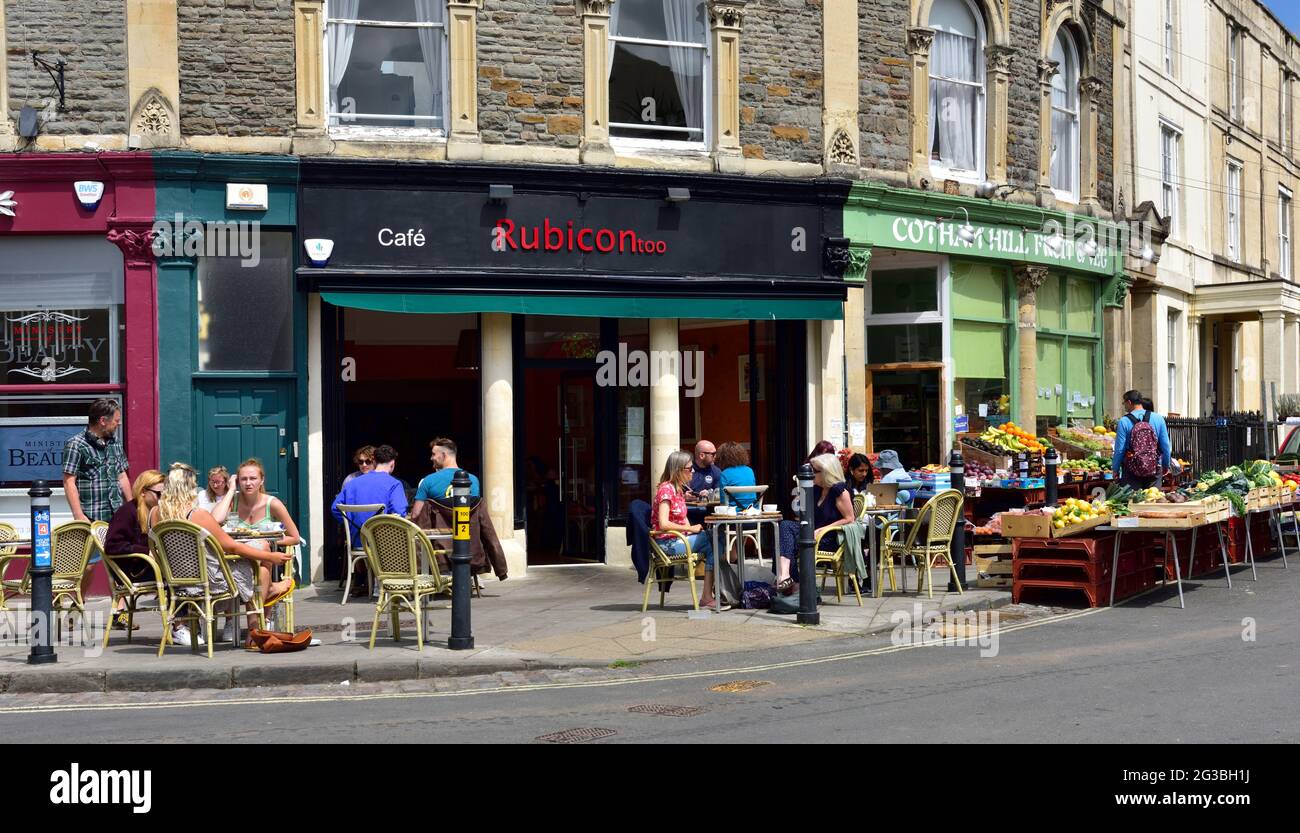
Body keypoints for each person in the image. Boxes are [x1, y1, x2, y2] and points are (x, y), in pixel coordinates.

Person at [149, 463, 293, 648]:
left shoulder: (155, 513)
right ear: (189, 488)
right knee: (262, 561)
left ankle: (259, 620)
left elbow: (154, 549)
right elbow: (231, 547)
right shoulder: (197, 514)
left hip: (177, 582)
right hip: (211, 581)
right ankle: (255, 630)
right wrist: (272, 557)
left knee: (259, 552)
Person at [775, 453, 857, 593]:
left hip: (829, 537)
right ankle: (786, 576)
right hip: (812, 533)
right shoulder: (817, 489)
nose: (811, 473)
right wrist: (801, 495)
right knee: (784, 527)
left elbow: (850, 519)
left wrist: (822, 529)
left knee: (786, 541)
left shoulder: (839, 490)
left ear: (827, 472)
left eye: (815, 471)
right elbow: (803, 512)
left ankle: (792, 582)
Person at [652, 451, 719, 608]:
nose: (693, 472)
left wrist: (690, 529)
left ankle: (710, 595)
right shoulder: (666, 490)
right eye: (690, 469)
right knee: (716, 538)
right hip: (668, 544)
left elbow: (680, 517)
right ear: (678, 470)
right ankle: (710, 595)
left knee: (716, 541)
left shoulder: (678, 490)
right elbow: (663, 523)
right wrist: (690, 528)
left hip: (678, 539)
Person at [103, 469, 165, 630]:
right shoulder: (128, 512)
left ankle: (189, 623)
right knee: (180, 576)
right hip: (133, 571)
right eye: (159, 494)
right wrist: (146, 552)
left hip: (147, 566)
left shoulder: (155, 511)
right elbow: (112, 546)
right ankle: (181, 625)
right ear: (143, 491)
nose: (162, 498)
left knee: (188, 571)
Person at [61, 398, 131, 523]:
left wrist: (132, 508)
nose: (119, 424)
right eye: (116, 420)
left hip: (117, 515)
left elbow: (122, 476)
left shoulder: (115, 443)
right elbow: (69, 482)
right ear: (103, 420)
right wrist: (79, 516)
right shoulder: (76, 444)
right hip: (92, 517)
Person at [332, 443, 409, 546]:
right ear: (392, 464)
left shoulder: (352, 483)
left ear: (375, 462)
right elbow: (399, 514)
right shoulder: (394, 484)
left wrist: (352, 523)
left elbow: (335, 508)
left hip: (357, 544)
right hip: (385, 548)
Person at [1112, 389, 1172, 489]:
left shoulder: (1124, 421)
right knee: (1152, 499)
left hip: (1132, 469)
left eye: (1124, 403)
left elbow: (1119, 449)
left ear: (1129, 402)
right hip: (1154, 466)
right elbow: (1166, 446)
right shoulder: (1158, 418)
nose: (1124, 406)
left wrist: (1115, 469)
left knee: (1133, 501)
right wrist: (1165, 465)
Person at [410, 437, 481, 520]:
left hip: (439, 531)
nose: (431, 458)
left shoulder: (428, 481)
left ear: (444, 455)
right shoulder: (473, 480)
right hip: (468, 531)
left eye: (433, 454)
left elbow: (415, 515)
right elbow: (476, 512)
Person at [716, 442, 758, 509]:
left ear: (722, 458)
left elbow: (723, 503)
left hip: (733, 514)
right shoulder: (749, 470)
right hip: (752, 511)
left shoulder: (725, 474)